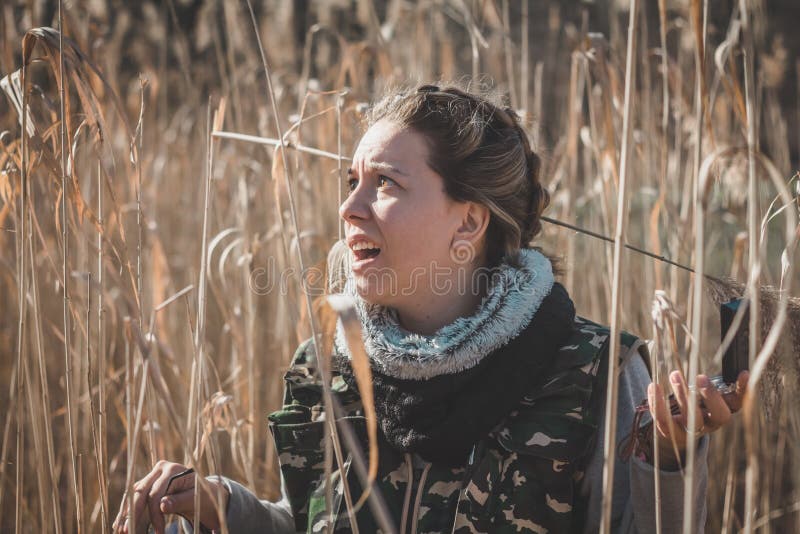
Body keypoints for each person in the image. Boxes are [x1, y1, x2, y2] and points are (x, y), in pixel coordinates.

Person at [113, 83, 748, 534]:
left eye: (384, 183)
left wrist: (665, 461)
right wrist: (218, 507)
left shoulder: (595, 373)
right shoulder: (327, 367)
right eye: (351, 182)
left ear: (468, 221)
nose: (350, 208)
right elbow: (304, 520)